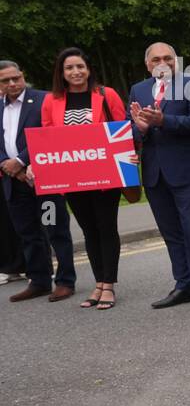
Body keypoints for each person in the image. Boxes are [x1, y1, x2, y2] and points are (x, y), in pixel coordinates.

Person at [128, 42, 190, 313]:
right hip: (155, 173)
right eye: (156, 58)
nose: (163, 62)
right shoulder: (138, 89)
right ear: (148, 64)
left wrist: (162, 121)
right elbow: (131, 130)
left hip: (187, 171)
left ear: (175, 61)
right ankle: (184, 285)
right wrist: (142, 129)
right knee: (171, 233)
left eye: (168, 58)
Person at [40, 48, 128, 309]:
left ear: (88, 70)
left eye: (80, 66)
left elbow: (122, 129)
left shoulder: (106, 95)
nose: (75, 72)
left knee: (106, 227)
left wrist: (128, 158)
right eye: (69, 68)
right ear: (62, 72)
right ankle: (99, 282)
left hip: (105, 175)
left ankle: (109, 285)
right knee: (89, 230)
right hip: (72, 177)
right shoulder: (51, 101)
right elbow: (47, 139)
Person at [0, 59, 75, 302]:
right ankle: (39, 280)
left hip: (45, 181)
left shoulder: (44, 99)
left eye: (16, 77)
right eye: (5, 80)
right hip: (14, 183)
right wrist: (8, 165)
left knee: (55, 230)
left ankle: (64, 280)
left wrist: (20, 161)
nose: (12, 83)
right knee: (28, 232)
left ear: (22, 75)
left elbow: (51, 134)